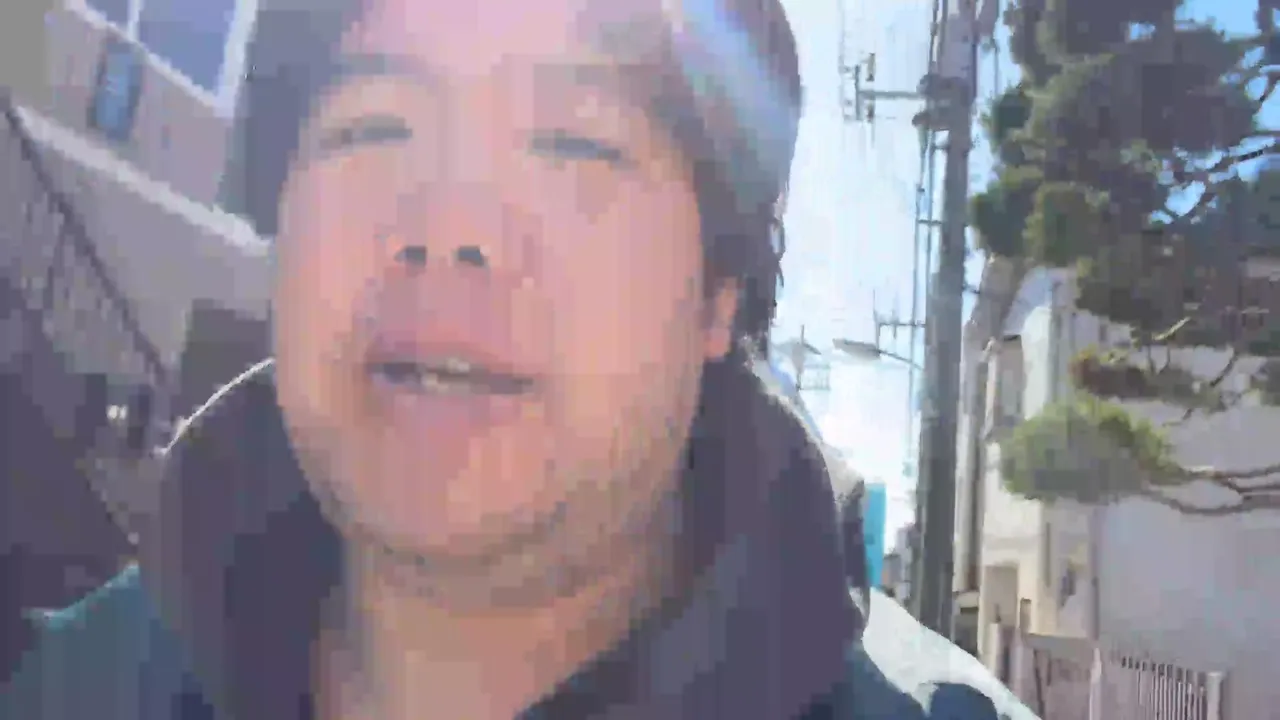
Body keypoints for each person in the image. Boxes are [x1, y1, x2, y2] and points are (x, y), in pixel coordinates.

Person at [1, 0, 1040, 718]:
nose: (449, 224)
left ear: (719, 296)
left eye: (574, 145)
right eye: (374, 126)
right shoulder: (73, 685)